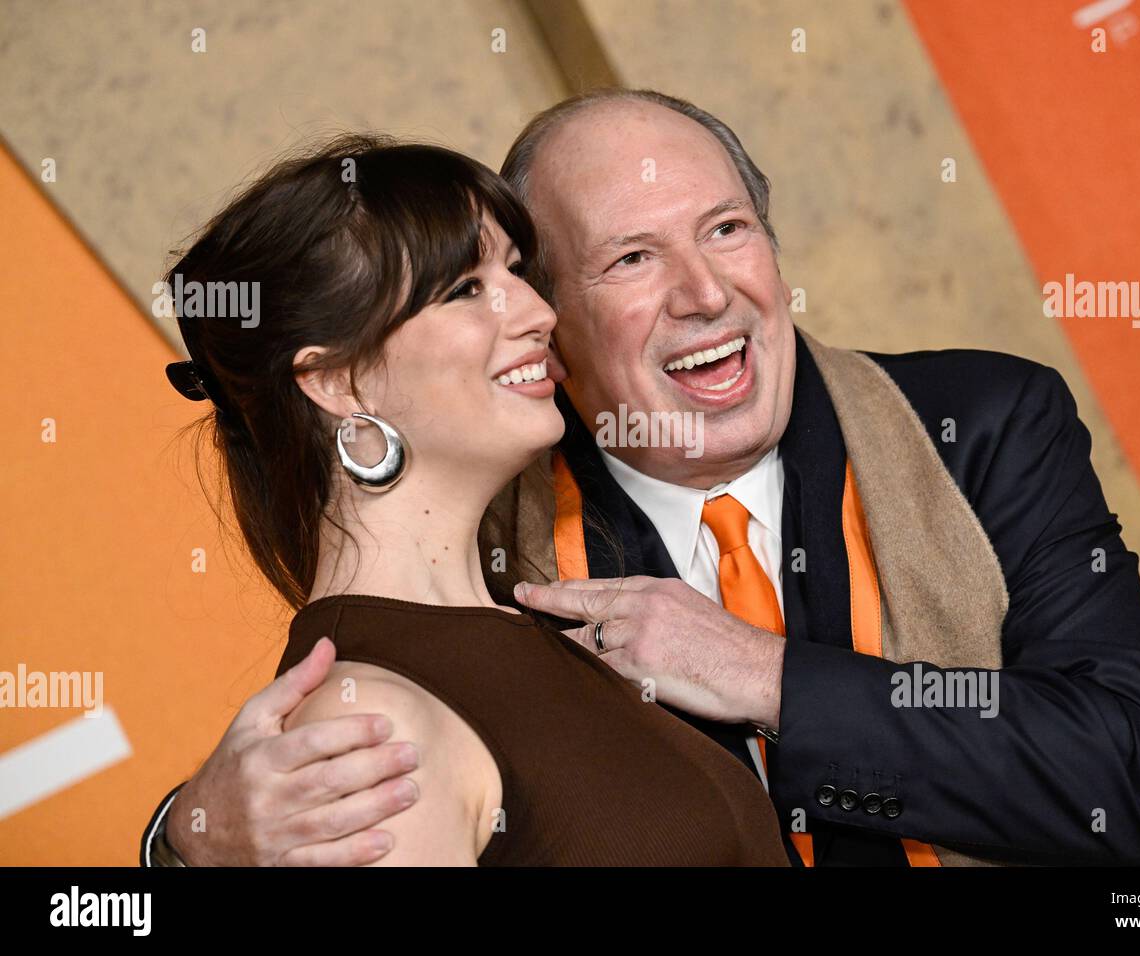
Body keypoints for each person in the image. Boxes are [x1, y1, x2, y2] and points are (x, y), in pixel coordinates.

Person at [143, 90, 1140, 868]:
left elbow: (1129, 773)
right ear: (567, 316)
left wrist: (766, 674)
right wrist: (184, 836)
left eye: (727, 229)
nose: (706, 293)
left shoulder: (981, 426)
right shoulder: (489, 539)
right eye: (630, 260)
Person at [147, 132, 790, 866]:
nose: (537, 312)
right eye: (465, 290)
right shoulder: (369, 734)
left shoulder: (539, 625)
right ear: (339, 383)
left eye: (515, 272)